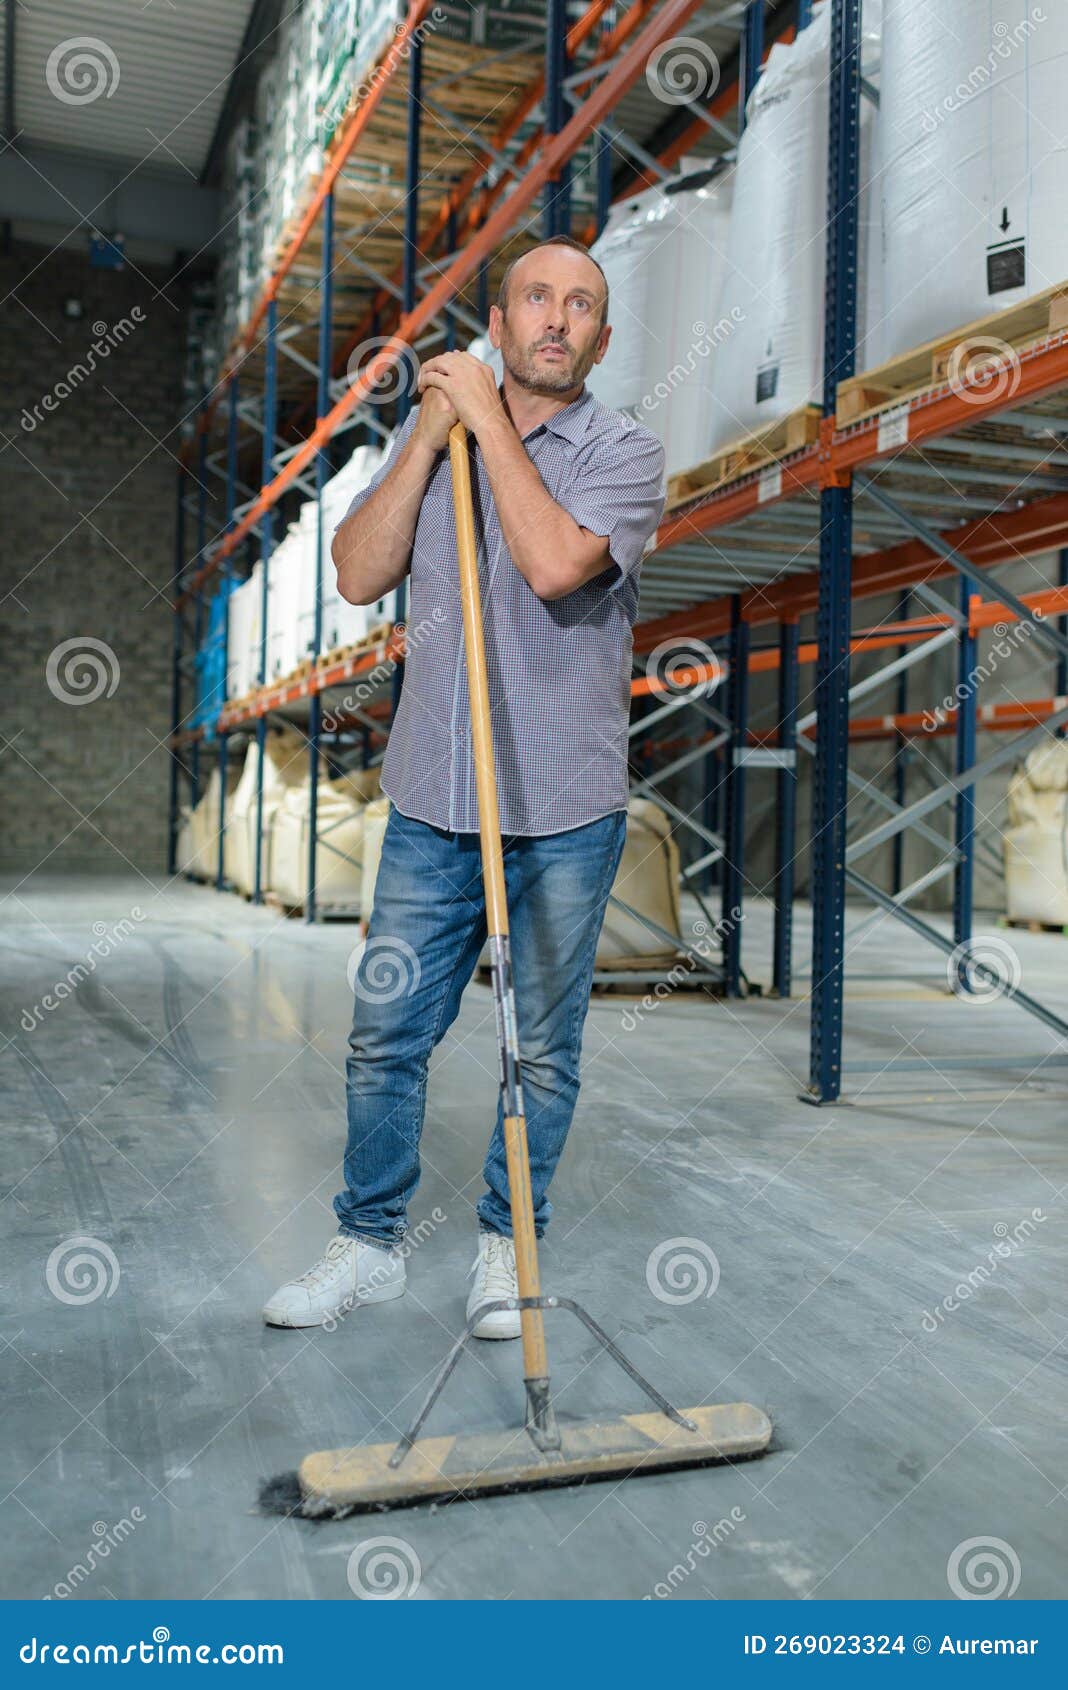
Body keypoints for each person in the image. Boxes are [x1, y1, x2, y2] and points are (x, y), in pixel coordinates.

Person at [263, 235, 667, 1338]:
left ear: (601, 337)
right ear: (500, 320)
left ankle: (508, 1247)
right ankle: (368, 1244)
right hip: (431, 803)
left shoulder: (625, 452)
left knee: (538, 1044)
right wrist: (431, 436)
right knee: (385, 1034)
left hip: (565, 811)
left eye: (580, 305)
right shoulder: (432, 442)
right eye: (536, 296)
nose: (556, 317)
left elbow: (551, 565)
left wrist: (486, 422)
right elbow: (355, 571)